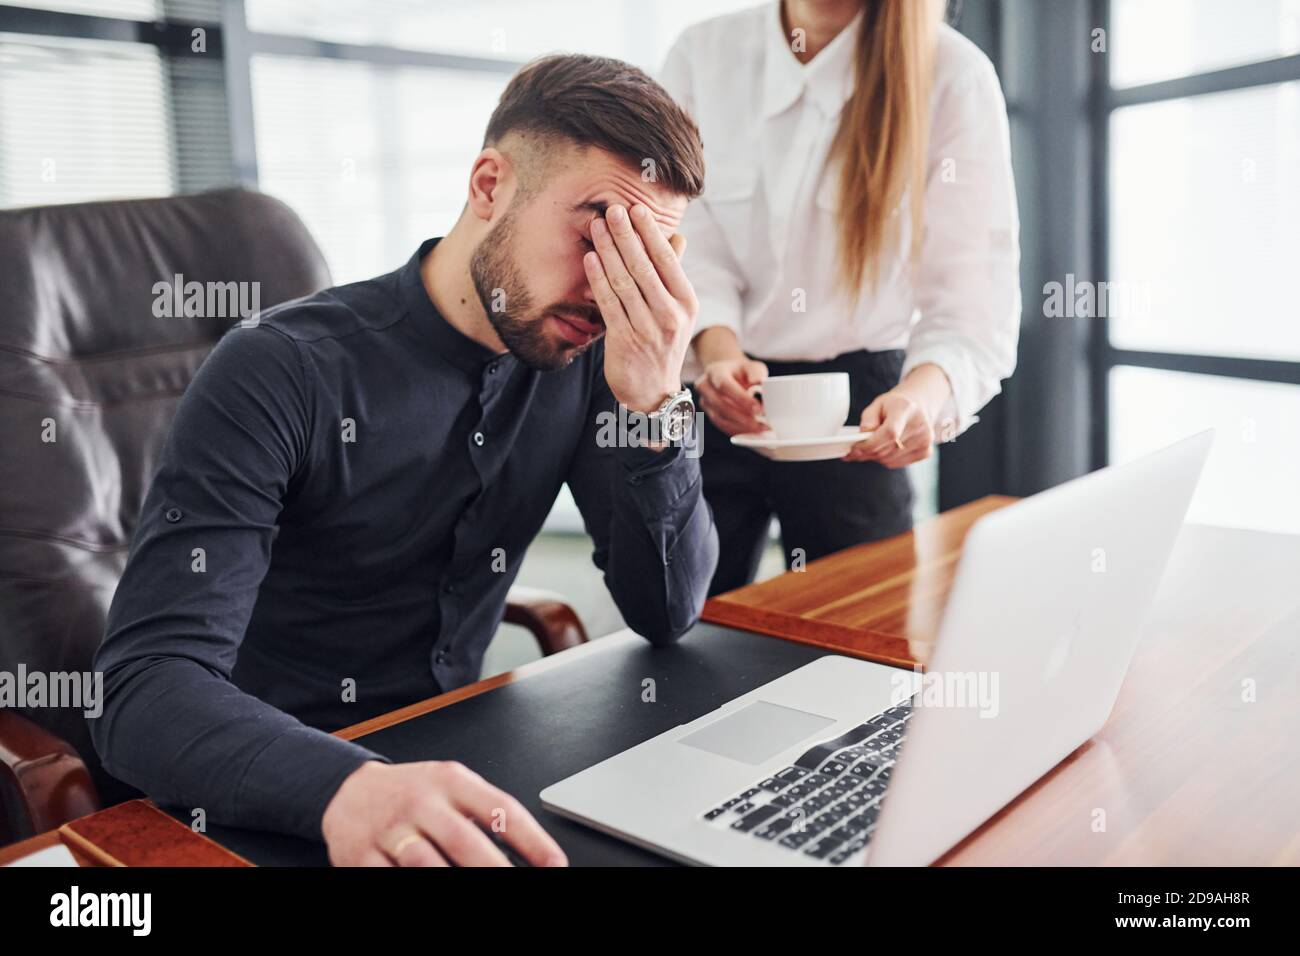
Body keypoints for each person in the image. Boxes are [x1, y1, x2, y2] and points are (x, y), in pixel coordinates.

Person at [91, 54, 718, 867]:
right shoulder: (279, 368)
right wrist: (347, 786)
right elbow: (141, 692)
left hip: (467, 766)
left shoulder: (594, 357)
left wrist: (657, 409)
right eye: (598, 225)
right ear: (490, 185)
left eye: (651, 249)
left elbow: (665, 612)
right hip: (271, 796)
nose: (613, 286)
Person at [660, 0, 1020, 594]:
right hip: (716, 386)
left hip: (863, 411)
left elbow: (971, 300)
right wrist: (719, 353)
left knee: (857, 643)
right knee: (686, 624)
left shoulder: (954, 76)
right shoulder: (701, 55)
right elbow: (686, 239)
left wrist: (921, 401)